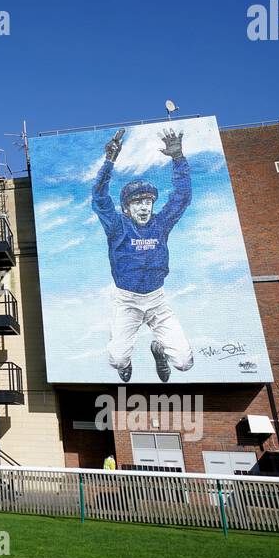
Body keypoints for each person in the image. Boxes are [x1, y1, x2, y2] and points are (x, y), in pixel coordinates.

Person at [93, 126, 194, 383]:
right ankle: (125, 362)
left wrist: (178, 159)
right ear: (126, 208)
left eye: (147, 201)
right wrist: (109, 161)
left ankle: (159, 351)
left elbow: (182, 197)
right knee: (116, 359)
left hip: (157, 300)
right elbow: (99, 198)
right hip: (127, 301)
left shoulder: (161, 223)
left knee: (184, 362)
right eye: (137, 202)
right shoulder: (117, 226)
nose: (143, 206)